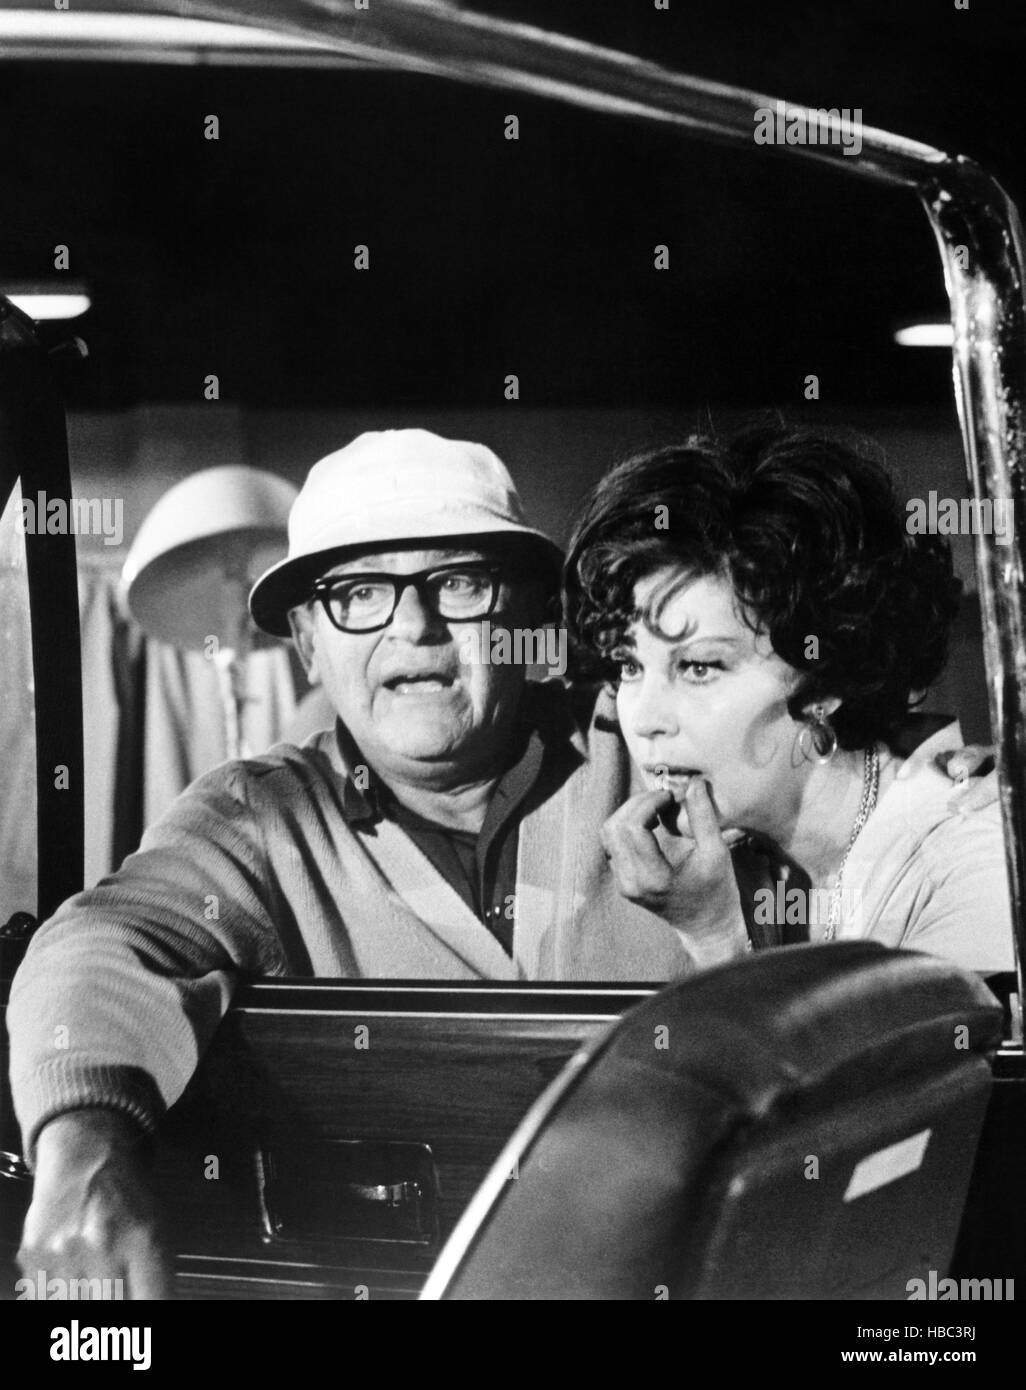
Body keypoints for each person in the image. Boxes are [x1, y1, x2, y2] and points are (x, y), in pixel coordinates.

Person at [8, 426, 996, 1298]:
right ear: (307, 642)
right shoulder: (255, 813)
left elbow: (854, 806)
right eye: (358, 594)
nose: (415, 627)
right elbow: (100, 942)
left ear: (527, 614)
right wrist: (84, 1141)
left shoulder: (655, 738)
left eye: (459, 583)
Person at [563, 424, 1015, 971]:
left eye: (700, 667)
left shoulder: (972, 857)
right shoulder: (755, 858)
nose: (646, 720)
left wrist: (715, 937)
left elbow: (846, 1060)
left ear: (824, 683)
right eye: (630, 666)